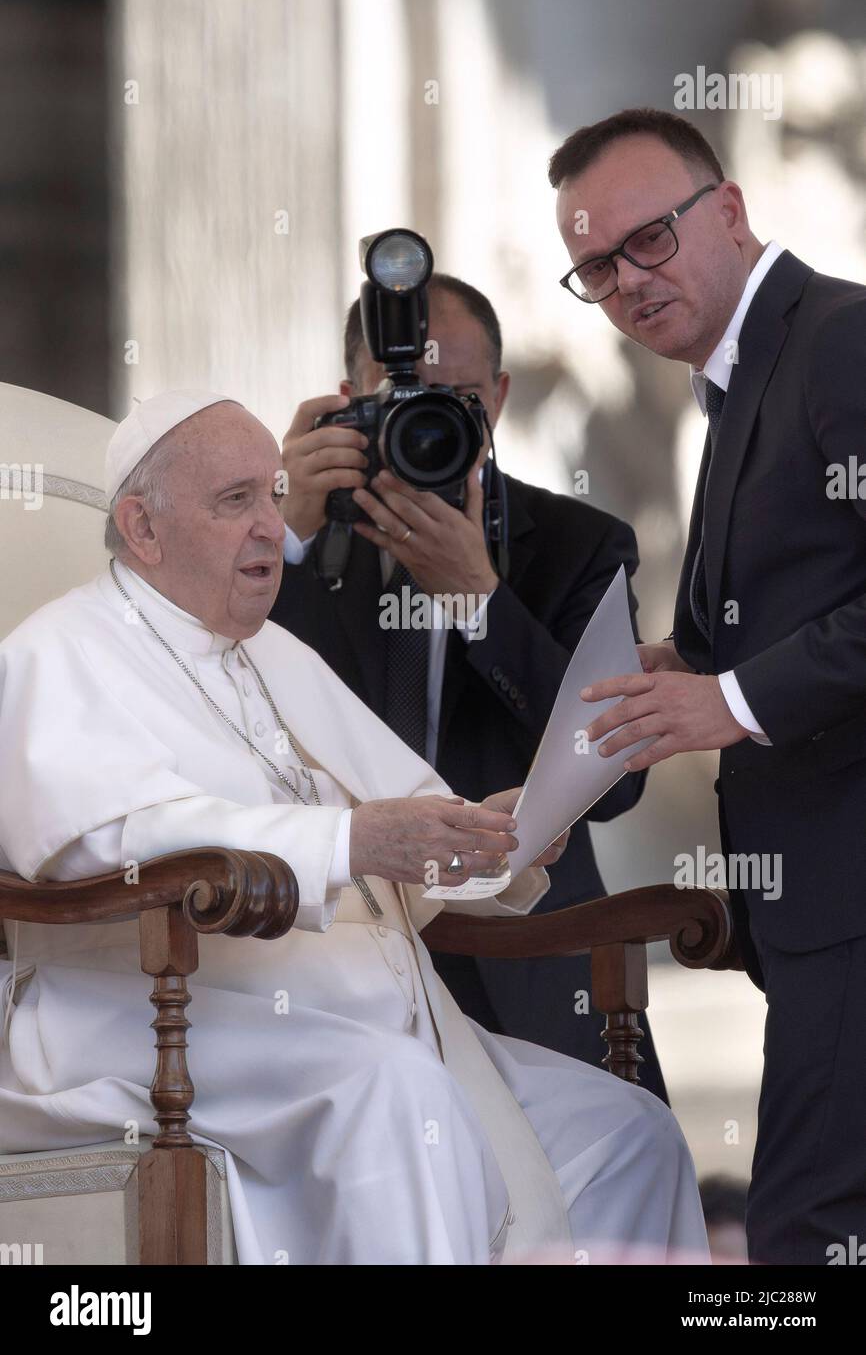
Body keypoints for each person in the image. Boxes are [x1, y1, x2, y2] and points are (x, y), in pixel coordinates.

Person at [0, 390, 708, 1265]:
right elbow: (107, 846)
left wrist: (489, 837)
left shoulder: (275, 651)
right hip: (151, 1018)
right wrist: (349, 842)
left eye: (273, 492)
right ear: (143, 528)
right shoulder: (54, 655)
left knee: (628, 1130)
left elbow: (400, 822)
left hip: (381, 1023)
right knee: (399, 1095)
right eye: (237, 502)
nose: (272, 527)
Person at [549, 106, 866, 1265]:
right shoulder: (737, 374)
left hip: (850, 886)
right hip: (816, 901)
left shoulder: (834, 338)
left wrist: (723, 705)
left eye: (649, 239)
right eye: (594, 266)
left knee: (801, 1236)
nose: (627, 281)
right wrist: (686, 667)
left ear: (727, 211)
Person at [269, 273, 668, 1100]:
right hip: (335, 951)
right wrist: (283, 534)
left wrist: (480, 600)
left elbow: (618, 780)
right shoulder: (295, 540)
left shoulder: (576, 543)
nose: (431, 422)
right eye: (404, 397)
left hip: (527, 947)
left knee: (593, 1186)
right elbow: (220, 692)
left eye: (457, 398)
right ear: (349, 403)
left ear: (500, 396)